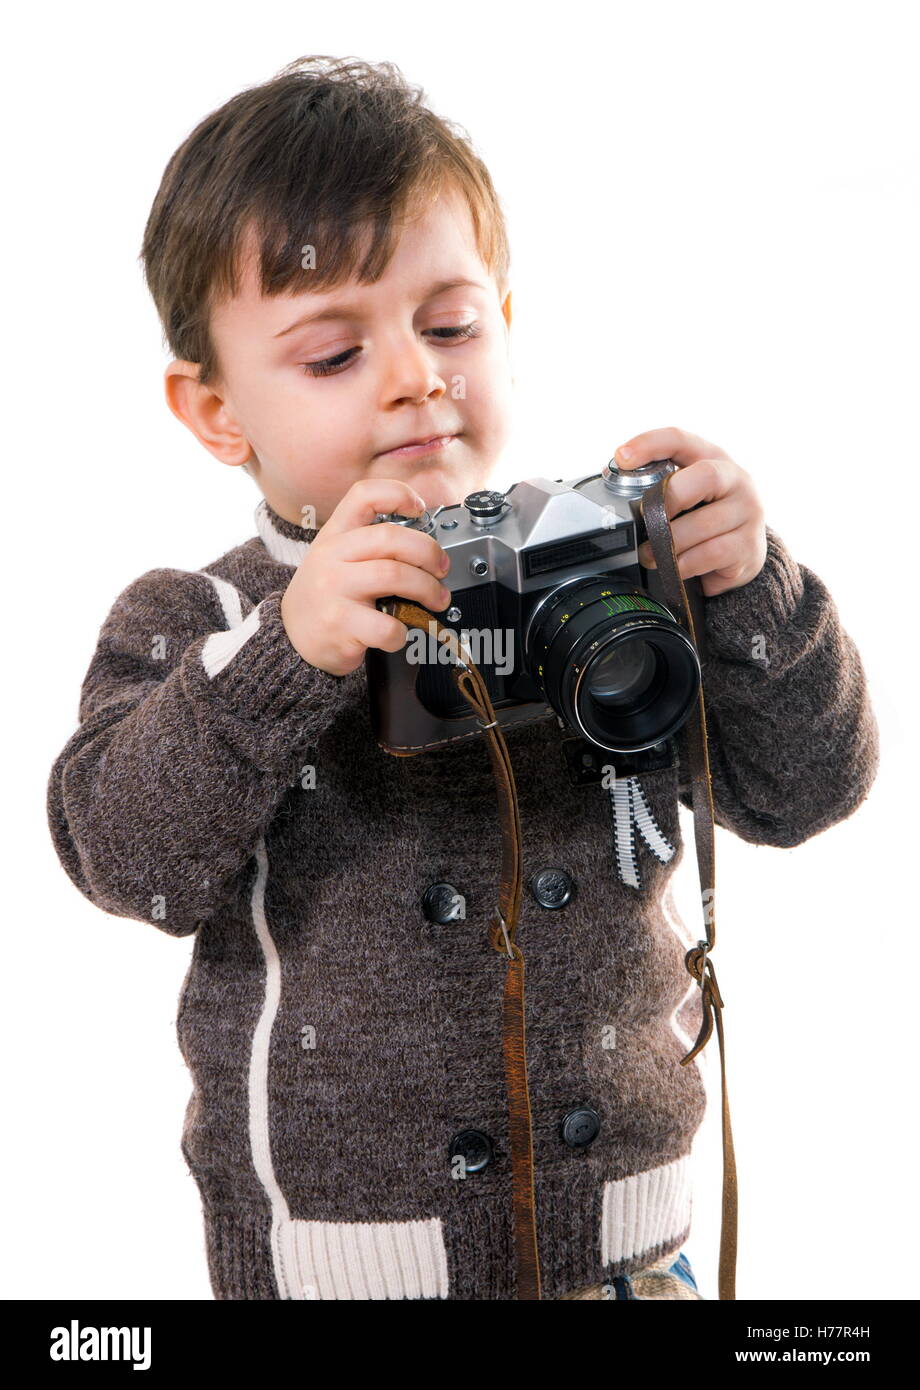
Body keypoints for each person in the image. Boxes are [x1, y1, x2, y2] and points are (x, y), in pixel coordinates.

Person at [46, 54, 880, 1301]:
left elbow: (805, 792)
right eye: (333, 354)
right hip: (341, 1277)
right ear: (216, 412)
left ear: (505, 316)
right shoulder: (205, 617)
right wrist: (294, 651)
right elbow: (127, 858)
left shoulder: (605, 562)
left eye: (449, 325)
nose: (414, 376)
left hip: (632, 1262)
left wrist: (744, 585)